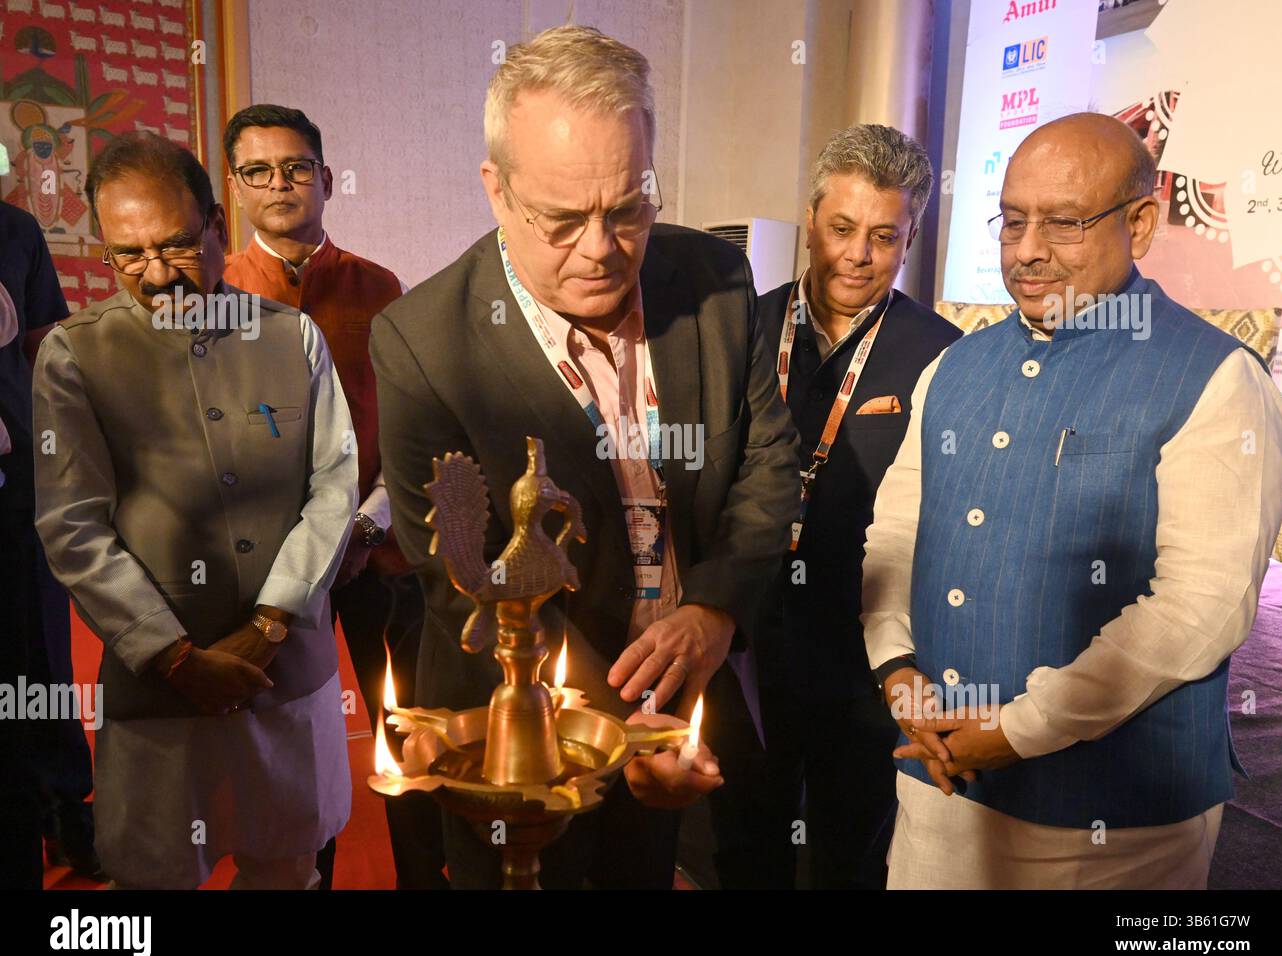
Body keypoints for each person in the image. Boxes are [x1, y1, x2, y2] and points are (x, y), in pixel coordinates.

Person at [370, 25, 801, 889]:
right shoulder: (422, 340)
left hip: (694, 682)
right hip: (524, 733)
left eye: (629, 208)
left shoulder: (716, 280)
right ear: (496, 190)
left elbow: (768, 464)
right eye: (562, 219)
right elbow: (465, 572)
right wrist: (620, 734)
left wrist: (715, 608)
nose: (602, 248)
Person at [861, 112, 1282, 888]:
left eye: (1063, 223)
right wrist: (897, 671)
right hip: (937, 796)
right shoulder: (954, 367)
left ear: (1142, 223)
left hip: (1112, 832)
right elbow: (895, 534)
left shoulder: (1218, 379)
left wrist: (1019, 729)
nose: (1028, 250)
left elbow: (1200, 606)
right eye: (1013, 221)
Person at [31, 133, 357, 889]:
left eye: (174, 246)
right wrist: (176, 656)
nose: (153, 274)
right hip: (158, 689)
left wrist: (272, 622)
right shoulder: (75, 357)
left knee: (287, 869)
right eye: (127, 255)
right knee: (154, 880)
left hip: (285, 677)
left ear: (215, 222)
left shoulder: (291, 336)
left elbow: (335, 484)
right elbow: (73, 526)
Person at [710, 124, 961, 889]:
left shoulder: (943, 353)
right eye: (842, 228)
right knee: (745, 840)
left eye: (884, 236)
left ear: (911, 237)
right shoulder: (744, 327)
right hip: (747, 642)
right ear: (811, 219)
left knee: (849, 851)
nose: (858, 253)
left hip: (865, 652)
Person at [221, 104, 439, 889]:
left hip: (381, 550)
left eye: (297, 167)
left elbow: (413, 424)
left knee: (410, 721)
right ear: (235, 187)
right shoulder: (217, 297)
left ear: (327, 179)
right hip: (275, 569)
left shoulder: (381, 289)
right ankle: (303, 876)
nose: (280, 183)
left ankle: (425, 875)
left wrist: (365, 523)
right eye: (259, 170)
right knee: (295, 732)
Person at [0, 199, 104, 886]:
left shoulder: (15, 230)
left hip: (17, 488)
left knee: (38, 653)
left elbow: (45, 342)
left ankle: (65, 809)